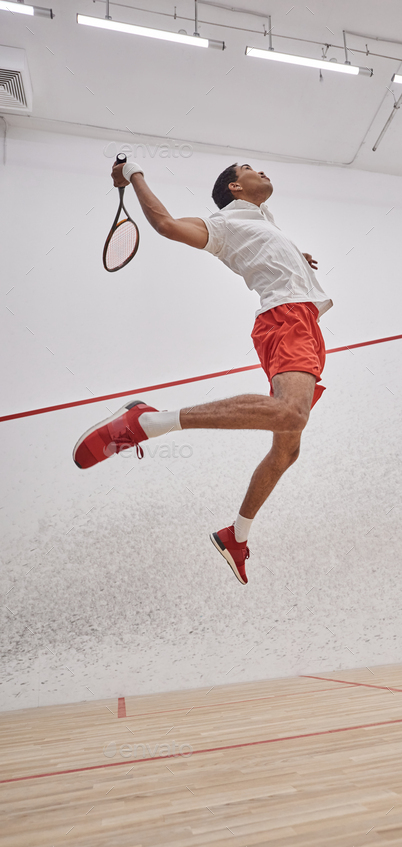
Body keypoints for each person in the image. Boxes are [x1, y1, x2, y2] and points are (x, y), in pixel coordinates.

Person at [73, 161, 333, 584]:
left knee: (288, 449)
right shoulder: (224, 222)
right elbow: (167, 225)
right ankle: (150, 422)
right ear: (235, 186)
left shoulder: (264, 220)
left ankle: (236, 535)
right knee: (290, 413)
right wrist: (135, 173)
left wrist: (295, 258)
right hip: (285, 320)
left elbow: (269, 250)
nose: (262, 170)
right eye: (250, 169)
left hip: (305, 324)